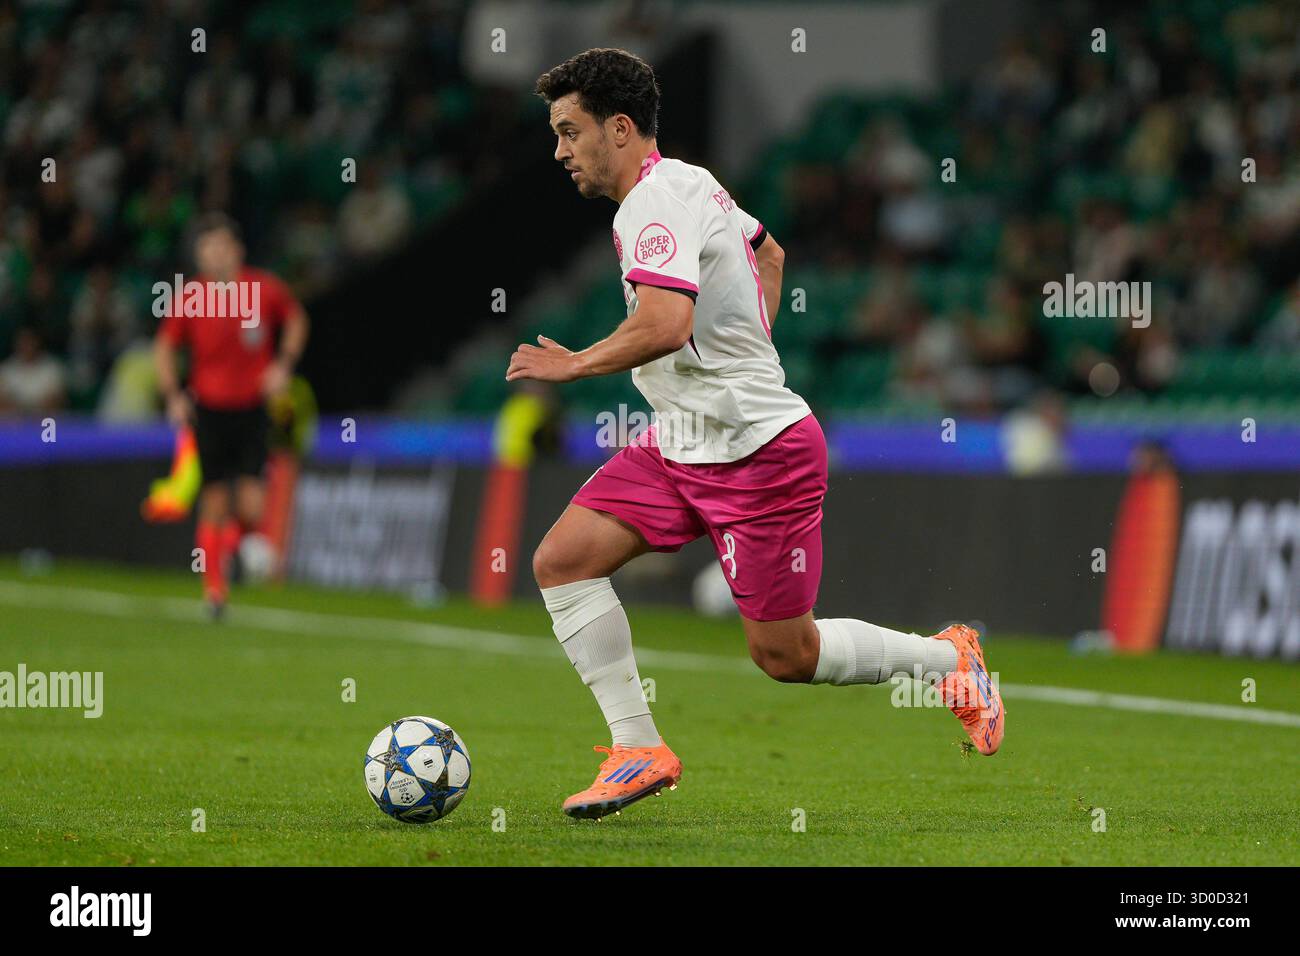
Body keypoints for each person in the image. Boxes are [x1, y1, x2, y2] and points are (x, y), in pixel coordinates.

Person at [510, 48, 1004, 820]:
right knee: (563, 562)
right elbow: (767, 250)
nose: (560, 151)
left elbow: (667, 324)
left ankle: (951, 659)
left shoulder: (651, 204)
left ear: (618, 127)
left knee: (786, 657)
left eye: (570, 132)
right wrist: (745, 346)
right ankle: (637, 746)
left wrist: (577, 366)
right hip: (682, 440)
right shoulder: (689, 181)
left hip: (755, 453)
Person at [153, 213, 309, 617]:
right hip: (209, 410)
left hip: (253, 409)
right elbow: (165, 347)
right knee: (215, 498)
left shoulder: (264, 289)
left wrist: (283, 365)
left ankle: (236, 547)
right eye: (208, 247)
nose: (216, 254)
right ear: (200, 255)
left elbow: (295, 320)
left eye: (223, 245)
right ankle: (215, 592)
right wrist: (173, 394)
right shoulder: (189, 297)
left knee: (252, 506)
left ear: (237, 249)